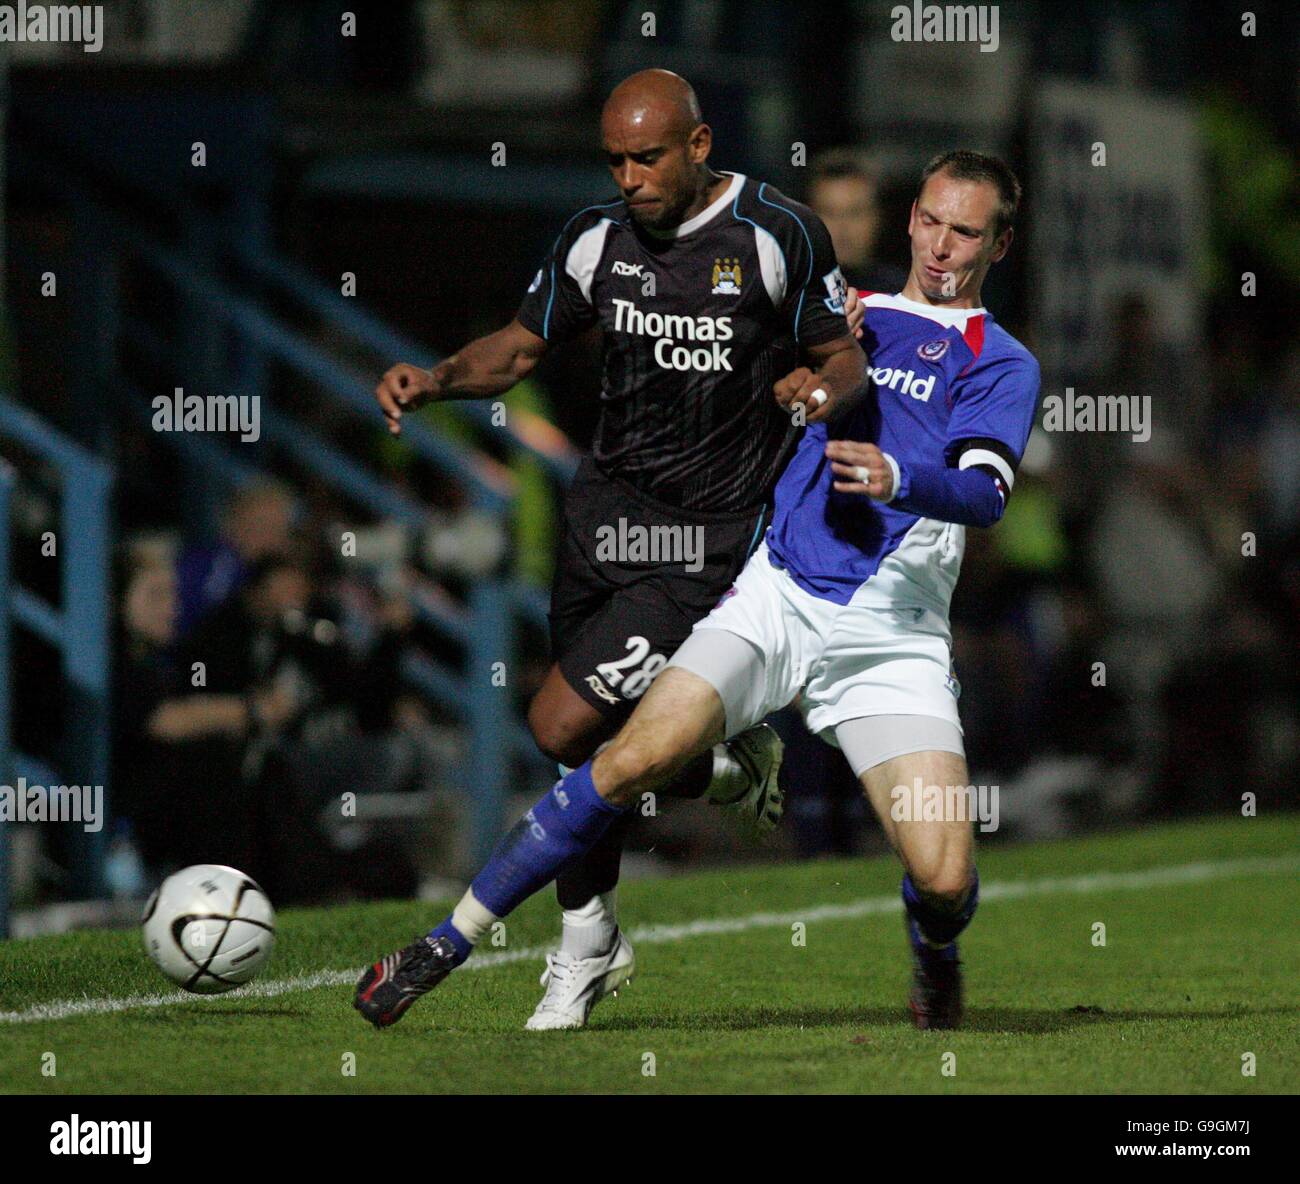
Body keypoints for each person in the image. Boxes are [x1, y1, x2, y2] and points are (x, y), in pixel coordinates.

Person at [355, 149, 1040, 1033]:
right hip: (775, 599)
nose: (943, 247)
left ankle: (933, 954)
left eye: (968, 232)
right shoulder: (843, 314)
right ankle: (442, 946)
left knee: (945, 878)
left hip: (892, 637)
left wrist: (898, 475)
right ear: (911, 218)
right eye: (933, 222)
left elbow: (984, 492)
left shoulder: (1001, 361)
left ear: (1001, 245)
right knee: (621, 756)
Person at [368, 68, 866, 1029]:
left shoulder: (777, 234)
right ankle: (605, 915)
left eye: (647, 157)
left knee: (559, 726)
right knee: (589, 741)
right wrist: (433, 379)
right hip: (598, 525)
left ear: (699, 145)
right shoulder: (593, 240)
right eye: (616, 161)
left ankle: (592, 924)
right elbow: (518, 349)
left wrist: (815, 393)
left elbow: (840, 357)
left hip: (701, 542)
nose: (630, 177)